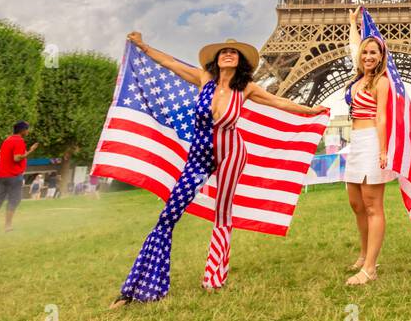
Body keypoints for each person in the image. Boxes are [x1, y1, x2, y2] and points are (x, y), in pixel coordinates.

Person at [111, 34, 327, 306]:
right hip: (200, 156)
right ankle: (141, 285)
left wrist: (310, 110)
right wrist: (143, 47)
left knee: (223, 214)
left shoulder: (246, 88)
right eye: (223, 52)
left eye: (233, 53)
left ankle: (214, 277)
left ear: (240, 62)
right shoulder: (204, 79)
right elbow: (168, 63)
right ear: (216, 59)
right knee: (168, 215)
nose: (228, 54)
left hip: (231, 154)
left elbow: (279, 102)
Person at [341, 7, 398, 286]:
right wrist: (353, 23)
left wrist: (384, 150)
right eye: (365, 52)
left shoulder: (382, 82)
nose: (368, 56)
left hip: (373, 142)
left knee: (373, 206)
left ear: (381, 56)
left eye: (374, 52)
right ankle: (364, 254)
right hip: (356, 143)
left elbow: (383, 116)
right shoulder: (358, 78)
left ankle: (371, 268)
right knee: (356, 204)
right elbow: (354, 47)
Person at [0, 122, 38, 233]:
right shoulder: (19, 141)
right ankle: (7, 226)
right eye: (27, 130)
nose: (27, 132)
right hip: (13, 175)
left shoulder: (7, 140)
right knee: (14, 200)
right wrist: (30, 151)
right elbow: (17, 158)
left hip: (2, 175)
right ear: (22, 130)